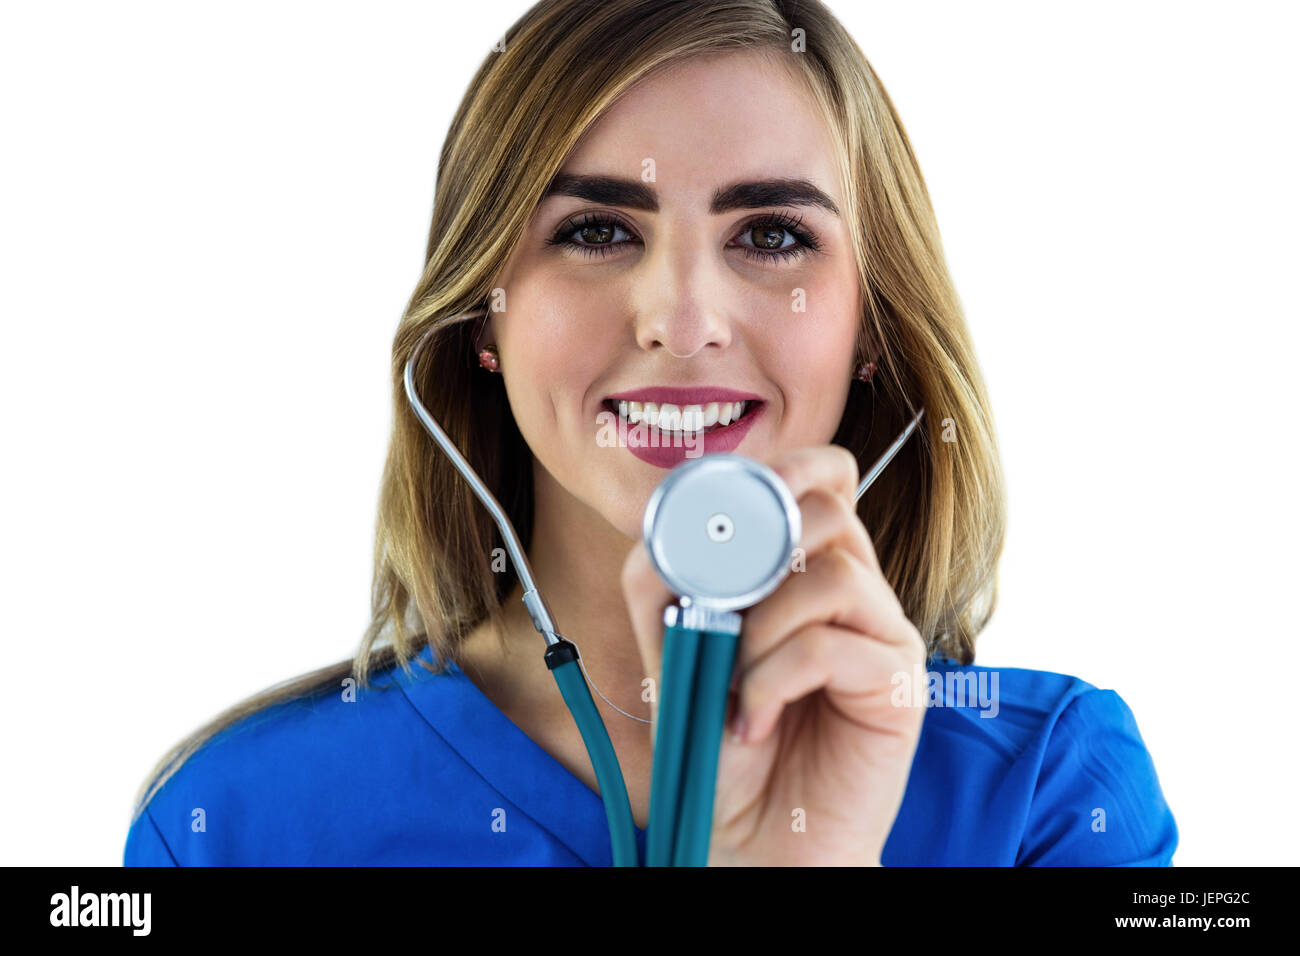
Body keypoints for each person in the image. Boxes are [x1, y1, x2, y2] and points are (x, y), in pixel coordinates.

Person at [123, 0, 1177, 866]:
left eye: (771, 235)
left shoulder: (1049, 787)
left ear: (869, 328)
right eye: (594, 230)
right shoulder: (236, 823)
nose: (680, 318)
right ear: (480, 319)